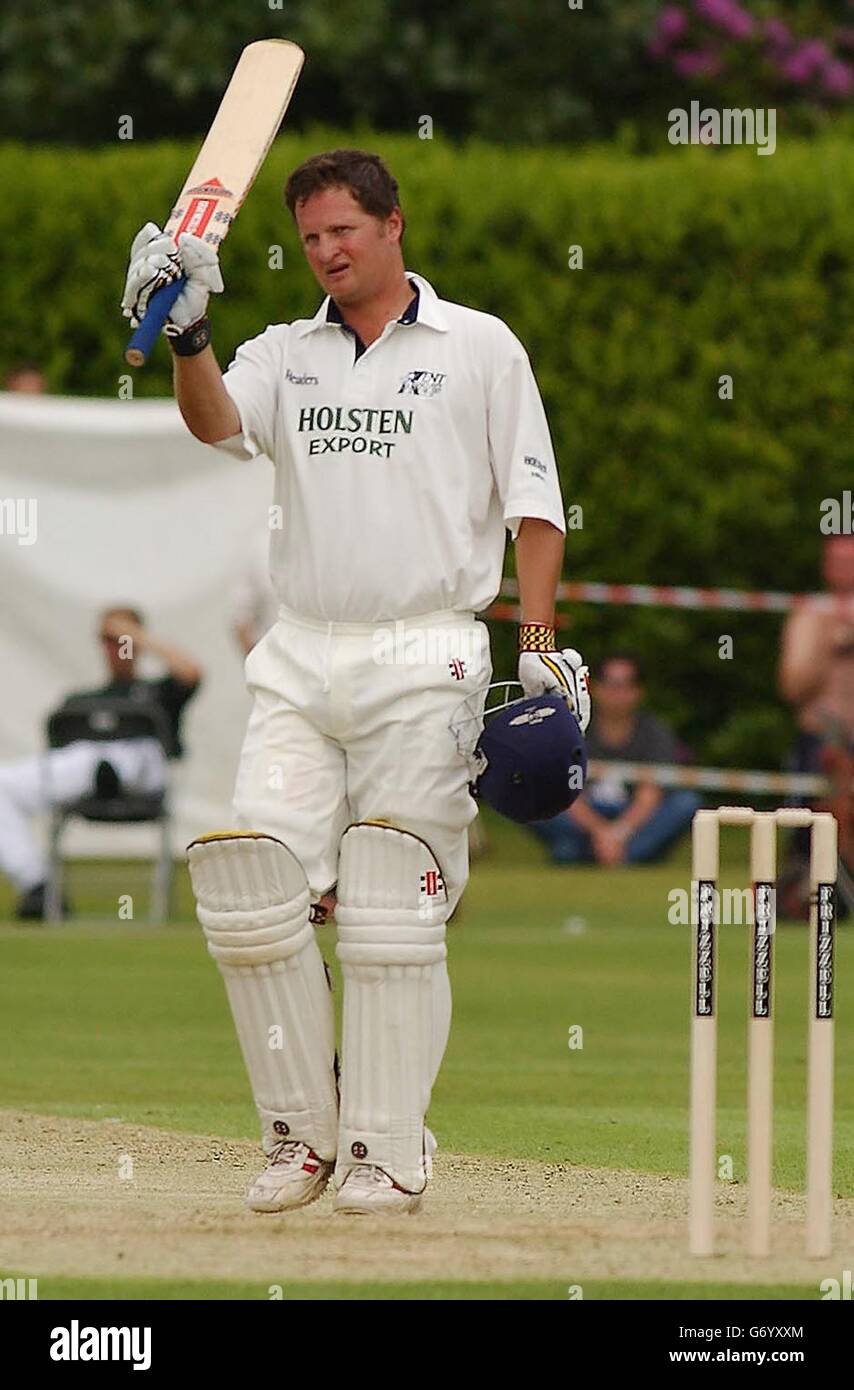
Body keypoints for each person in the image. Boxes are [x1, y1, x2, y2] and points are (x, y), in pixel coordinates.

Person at [121, 147, 590, 1216]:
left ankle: (386, 1145)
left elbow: (533, 503)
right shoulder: (285, 352)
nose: (325, 251)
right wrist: (187, 335)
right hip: (301, 647)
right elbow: (214, 424)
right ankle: (300, 1132)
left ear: (391, 226)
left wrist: (534, 636)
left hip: (426, 649)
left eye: (343, 230)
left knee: (391, 902)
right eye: (310, 236)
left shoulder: (478, 346)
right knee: (253, 893)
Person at [0, 607, 201, 919]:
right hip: (82, 779)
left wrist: (135, 636)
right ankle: (38, 885)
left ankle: (110, 771)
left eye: (122, 639)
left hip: (144, 778)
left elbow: (192, 672)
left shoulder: (159, 693)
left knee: (134, 752)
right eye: (109, 639)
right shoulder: (80, 701)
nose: (116, 646)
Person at [530, 652, 698, 865]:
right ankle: (616, 854)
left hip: (632, 815)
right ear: (593, 688)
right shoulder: (572, 729)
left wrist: (618, 833)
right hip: (584, 813)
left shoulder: (654, 732)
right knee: (533, 795)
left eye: (626, 685)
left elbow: (650, 793)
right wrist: (601, 831)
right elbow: (564, 790)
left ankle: (598, 854)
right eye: (611, 685)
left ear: (639, 691)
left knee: (686, 803)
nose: (618, 694)